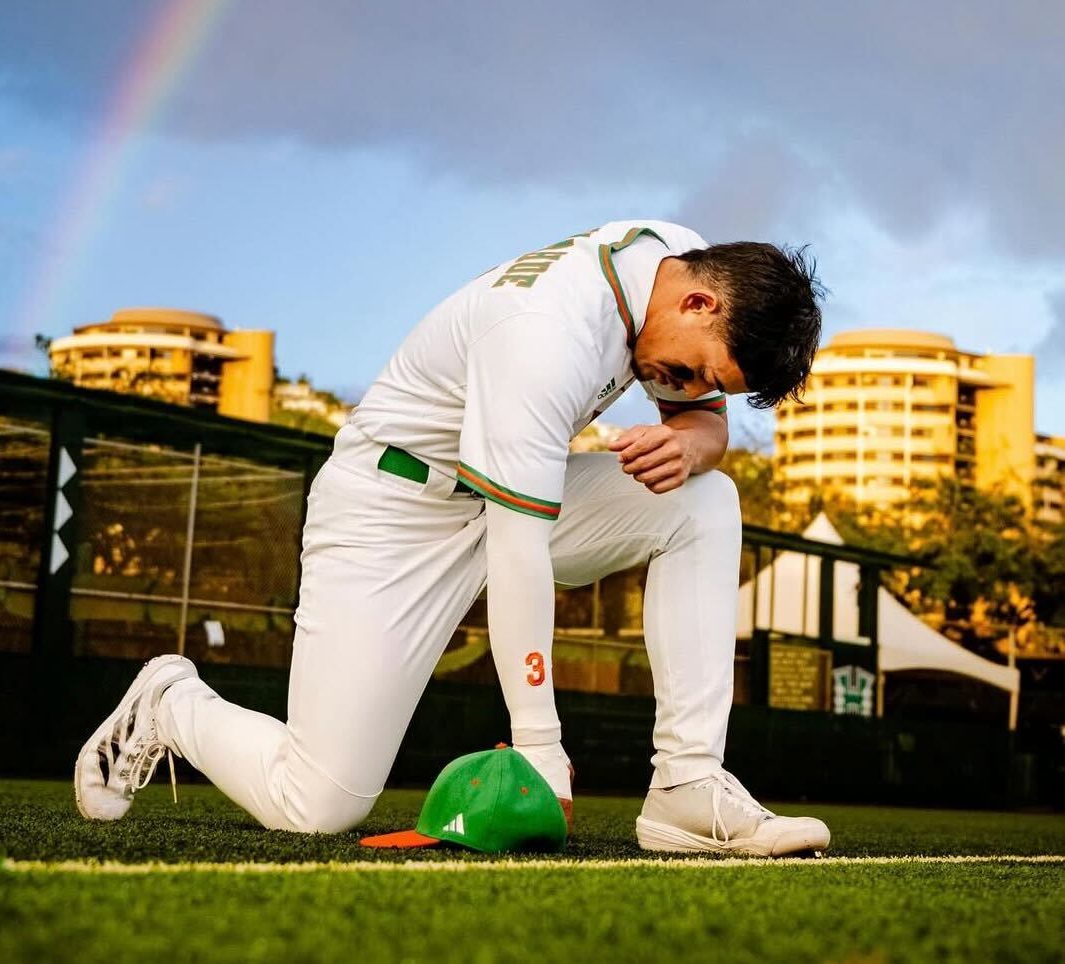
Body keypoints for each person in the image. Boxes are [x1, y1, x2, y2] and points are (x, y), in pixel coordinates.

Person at [75, 219, 830, 856]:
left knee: (705, 502)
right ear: (697, 302)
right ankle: (172, 704)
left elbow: (700, 427)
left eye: (710, 385)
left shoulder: (676, 267)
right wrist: (538, 747)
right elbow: (518, 555)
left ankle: (686, 788)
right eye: (696, 372)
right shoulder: (544, 334)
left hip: (503, 493)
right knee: (314, 803)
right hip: (391, 510)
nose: (689, 390)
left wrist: (697, 444)